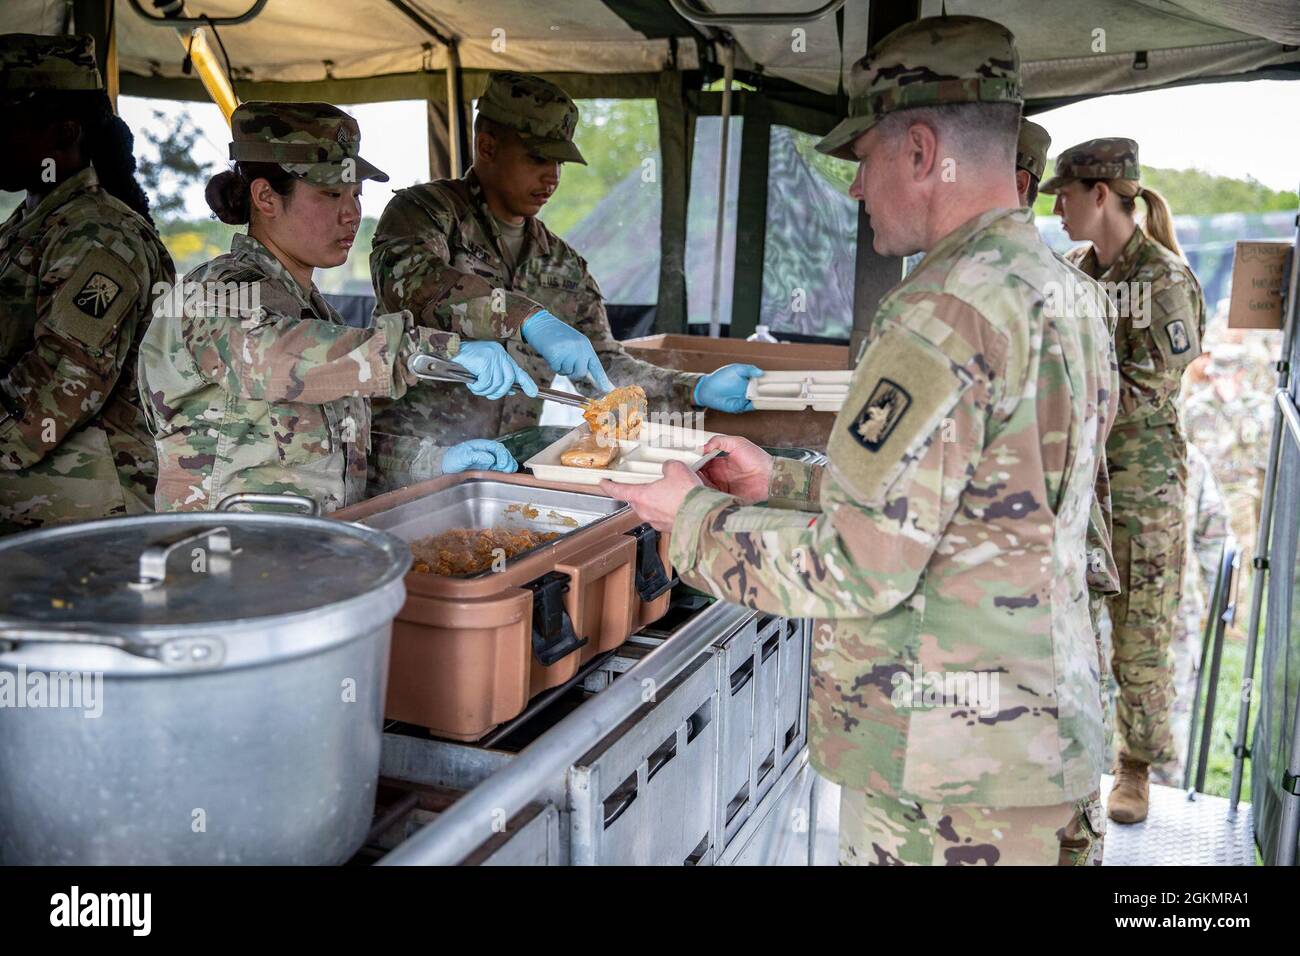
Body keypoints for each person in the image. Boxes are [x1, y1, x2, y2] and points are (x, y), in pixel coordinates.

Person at [606, 15, 1113, 865]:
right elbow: (983, 504)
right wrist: (789, 482)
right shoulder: (1064, 292)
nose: (853, 189)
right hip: (1039, 747)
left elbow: (858, 566)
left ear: (920, 151)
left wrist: (686, 517)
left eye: (864, 159)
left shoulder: (941, 311)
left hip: (944, 787)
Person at [366, 71, 762, 493]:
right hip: (405, 467)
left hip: (505, 472)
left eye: (559, 162)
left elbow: (605, 370)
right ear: (488, 146)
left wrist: (694, 388)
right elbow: (411, 281)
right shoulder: (427, 214)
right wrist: (529, 319)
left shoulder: (563, 266)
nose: (552, 177)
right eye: (538, 158)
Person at [139, 101, 526, 513]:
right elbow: (273, 357)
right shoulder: (216, 294)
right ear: (266, 198)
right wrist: (434, 349)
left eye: (356, 194)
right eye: (330, 194)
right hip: (228, 564)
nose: (352, 213)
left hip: (315, 560)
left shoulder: (315, 314)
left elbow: (342, 461)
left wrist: (434, 463)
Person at [1041, 137, 1207, 824]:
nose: (1056, 207)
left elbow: (1147, 387)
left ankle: (1134, 768)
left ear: (1101, 194)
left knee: (1137, 632)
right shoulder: (1078, 271)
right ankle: (1073, 754)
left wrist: (1059, 411)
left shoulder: (1164, 280)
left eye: (1066, 194)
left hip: (1140, 488)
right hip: (1083, 484)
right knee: (1067, 623)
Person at [0, 33, 175, 533]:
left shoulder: (98, 237)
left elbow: (57, 391)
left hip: (87, 519)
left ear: (65, 132)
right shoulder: (34, 221)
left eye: (6, 125)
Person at [1016, 118, 1120, 866]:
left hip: (1054, 576)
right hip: (1067, 564)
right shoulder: (1076, 287)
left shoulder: (1028, 298)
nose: (1057, 209)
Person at [1156, 441, 1233, 786]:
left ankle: (1163, 798)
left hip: (1174, 615)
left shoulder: (1188, 458)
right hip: (1099, 613)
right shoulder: (1091, 444)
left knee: (1171, 709)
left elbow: (1215, 538)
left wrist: (1225, 606)